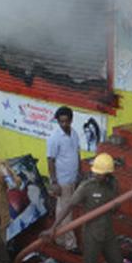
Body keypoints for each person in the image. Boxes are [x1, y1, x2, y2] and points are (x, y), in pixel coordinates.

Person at [43, 153, 132, 263]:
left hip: (108, 232)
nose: (96, 175)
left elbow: (115, 207)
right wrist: (54, 228)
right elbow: (68, 206)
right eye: (95, 172)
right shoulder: (86, 187)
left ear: (108, 174)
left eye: (100, 173)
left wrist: (114, 206)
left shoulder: (113, 184)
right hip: (92, 234)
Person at [46, 106, 81, 250]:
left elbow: (77, 153)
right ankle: (70, 244)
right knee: (66, 213)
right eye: (61, 122)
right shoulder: (54, 138)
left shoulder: (74, 133)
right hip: (62, 180)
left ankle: (60, 239)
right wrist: (54, 182)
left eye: (66, 121)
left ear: (71, 120)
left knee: (63, 210)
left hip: (73, 178)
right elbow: (50, 160)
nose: (64, 124)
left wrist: (80, 172)